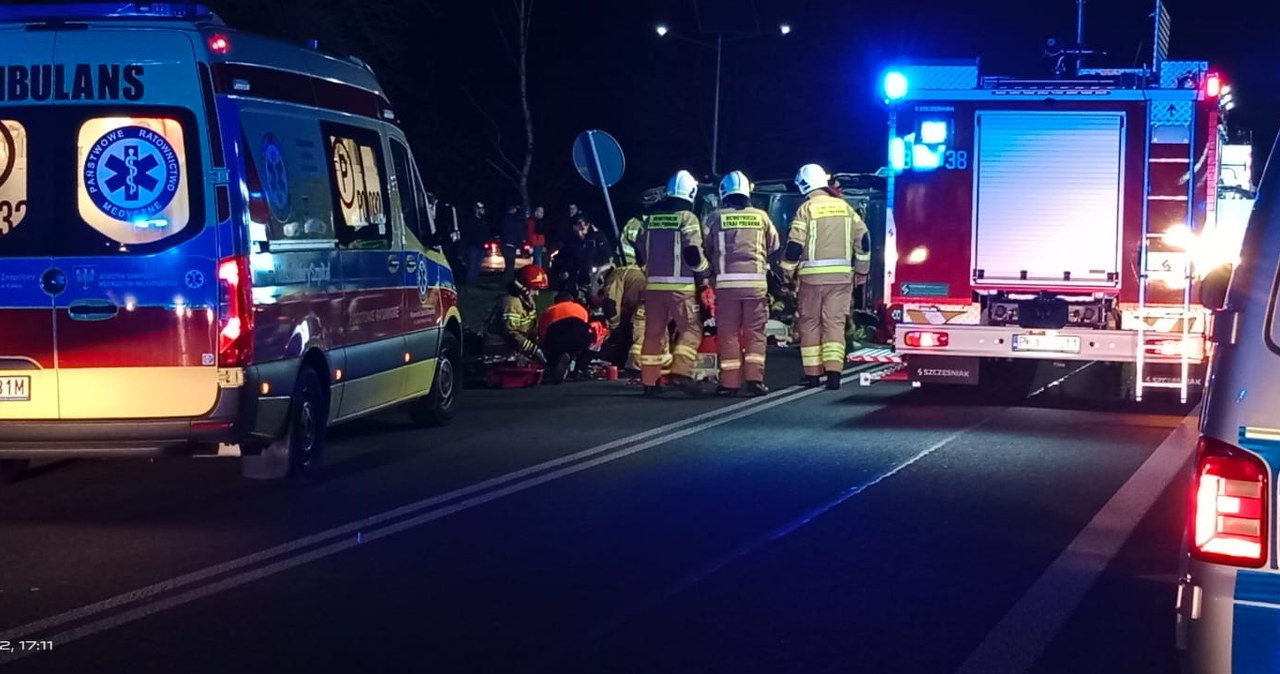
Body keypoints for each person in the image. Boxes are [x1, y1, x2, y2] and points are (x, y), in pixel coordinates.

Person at [780, 163, 871, 390]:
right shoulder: (846, 208)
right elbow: (864, 240)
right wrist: (862, 270)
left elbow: (794, 246)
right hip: (841, 278)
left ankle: (812, 375)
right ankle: (834, 375)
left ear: (803, 184)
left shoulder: (806, 209)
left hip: (811, 279)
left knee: (810, 323)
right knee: (835, 324)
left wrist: (787, 271)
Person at [703, 170, 779, 397]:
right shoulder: (761, 216)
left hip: (726, 286)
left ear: (724, 193)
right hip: (756, 285)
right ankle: (755, 380)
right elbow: (774, 244)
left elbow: (703, 246)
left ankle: (729, 384)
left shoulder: (715, 217)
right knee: (755, 332)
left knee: (729, 334)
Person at [635, 169, 708, 396]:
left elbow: (639, 250)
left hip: (654, 286)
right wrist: (704, 271)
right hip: (680, 286)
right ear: (691, 193)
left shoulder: (651, 219)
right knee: (692, 329)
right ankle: (681, 370)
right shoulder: (688, 218)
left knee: (654, 333)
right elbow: (693, 252)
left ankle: (649, 382)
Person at [485, 264, 549, 366]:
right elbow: (510, 333)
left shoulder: (528, 301)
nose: (537, 293)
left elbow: (532, 327)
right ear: (524, 287)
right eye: (535, 289)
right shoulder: (511, 303)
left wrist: (539, 343)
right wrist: (533, 350)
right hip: (500, 347)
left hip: (516, 345)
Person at [601, 261, 654, 373]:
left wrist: (614, 327)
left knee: (635, 334)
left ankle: (633, 366)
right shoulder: (636, 273)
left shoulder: (616, 274)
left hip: (644, 307)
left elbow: (610, 303)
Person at [538, 292, 595, 384]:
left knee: (553, 351)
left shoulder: (549, 311)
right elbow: (585, 327)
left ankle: (554, 366)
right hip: (580, 340)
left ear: (555, 302)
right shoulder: (581, 309)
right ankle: (578, 368)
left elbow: (543, 334)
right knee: (582, 344)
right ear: (571, 301)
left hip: (557, 342)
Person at [555, 214, 608, 296]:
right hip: (576, 275)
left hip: (594, 273)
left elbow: (605, 253)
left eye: (582, 226)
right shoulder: (572, 238)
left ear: (588, 225)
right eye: (577, 226)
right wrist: (564, 269)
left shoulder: (598, 236)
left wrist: (597, 268)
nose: (580, 231)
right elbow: (566, 254)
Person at [462, 202, 490, 285]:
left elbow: (486, 233)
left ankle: (474, 282)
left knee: (478, 266)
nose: (483, 210)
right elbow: (468, 233)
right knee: (472, 266)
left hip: (481, 247)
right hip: (473, 246)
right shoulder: (471, 221)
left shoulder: (483, 221)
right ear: (477, 210)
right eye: (481, 209)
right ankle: (469, 283)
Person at [500, 203, 527, 286]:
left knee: (509, 265)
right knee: (510, 266)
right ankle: (508, 282)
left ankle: (508, 282)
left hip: (507, 245)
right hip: (510, 245)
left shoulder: (506, 219)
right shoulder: (514, 220)